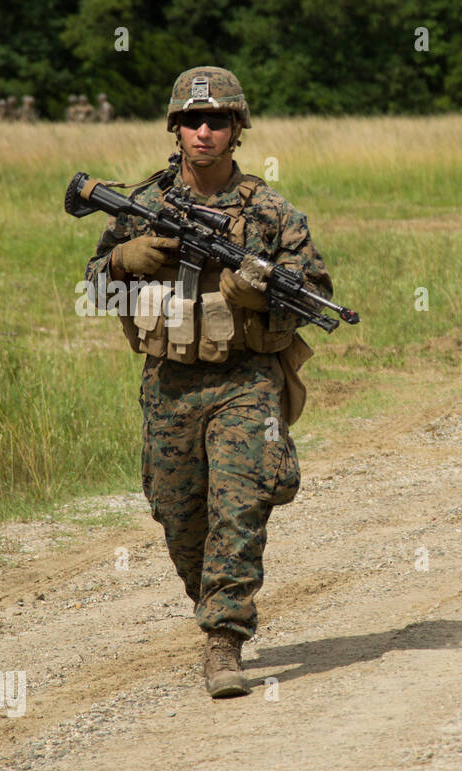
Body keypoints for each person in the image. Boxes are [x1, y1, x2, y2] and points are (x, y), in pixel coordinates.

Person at [82, 66, 334, 698]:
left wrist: (254, 296)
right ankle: (214, 596)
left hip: (245, 380)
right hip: (169, 383)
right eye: (192, 120)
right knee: (177, 513)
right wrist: (120, 259)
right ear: (175, 127)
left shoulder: (272, 213)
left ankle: (224, 637)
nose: (203, 131)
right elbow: (91, 289)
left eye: (217, 120)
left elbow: (316, 296)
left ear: (236, 130)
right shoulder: (145, 207)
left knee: (239, 504)